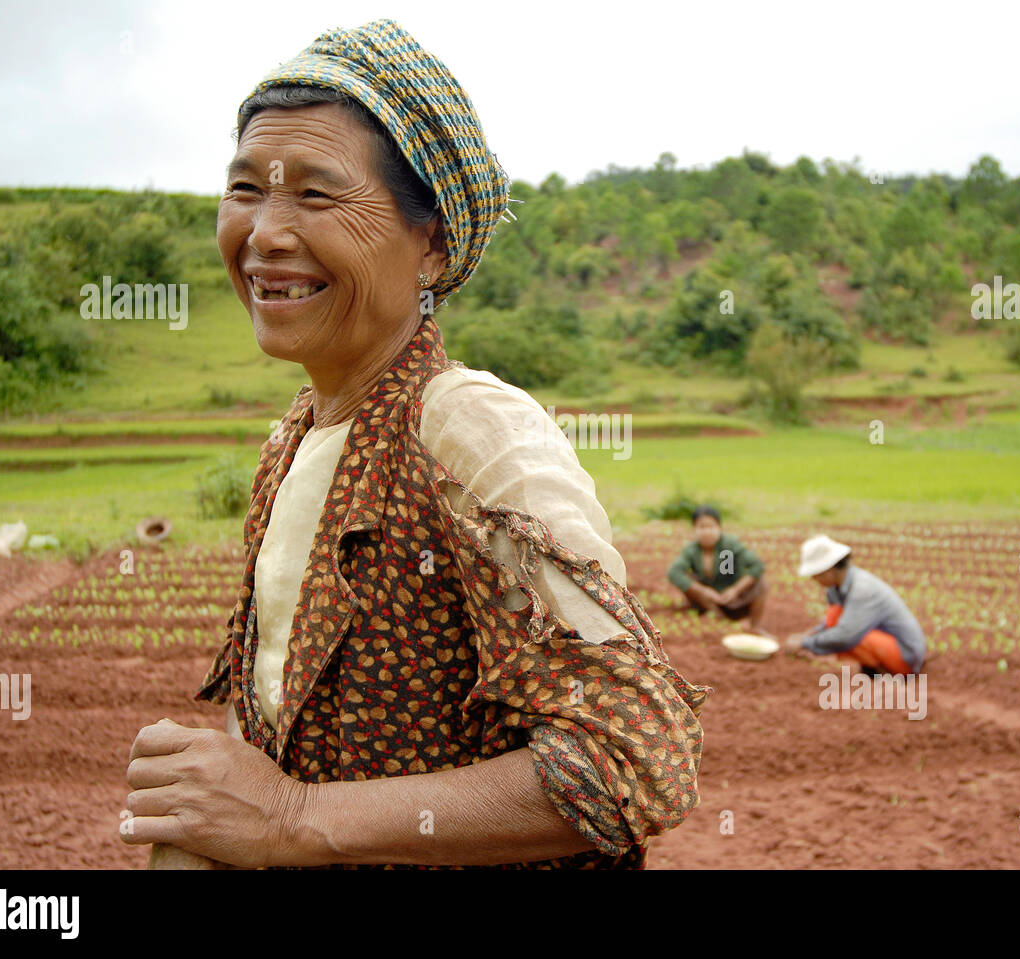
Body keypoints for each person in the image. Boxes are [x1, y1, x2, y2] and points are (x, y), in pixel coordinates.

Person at [122, 20, 709, 871]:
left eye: (317, 196)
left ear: (429, 244)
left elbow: (634, 757)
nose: (266, 233)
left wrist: (292, 814)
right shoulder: (294, 439)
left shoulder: (470, 429)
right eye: (245, 188)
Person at [785, 534, 925, 676]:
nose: (813, 579)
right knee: (834, 616)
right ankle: (874, 668)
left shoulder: (862, 589)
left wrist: (805, 643)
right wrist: (807, 636)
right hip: (890, 643)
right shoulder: (838, 588)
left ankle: (889, 671)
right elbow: (829, 623)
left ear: (827, 571)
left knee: (844, 631)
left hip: (906, 656)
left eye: (815, 574)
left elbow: (846, 636)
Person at [667, 505, 771, 637]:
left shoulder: (730, 544)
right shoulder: (692, 550)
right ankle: (720, 619)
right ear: (694, 530)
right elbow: (674, 572)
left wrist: (735, 590)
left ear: (719, 528)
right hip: (709, 601)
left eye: (710, 527)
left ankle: (755, 626)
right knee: (688, 578)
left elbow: (757, 566)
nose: (707, 532)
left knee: (761, 583)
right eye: (702, 527)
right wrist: (705, 591)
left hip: (736, 598)